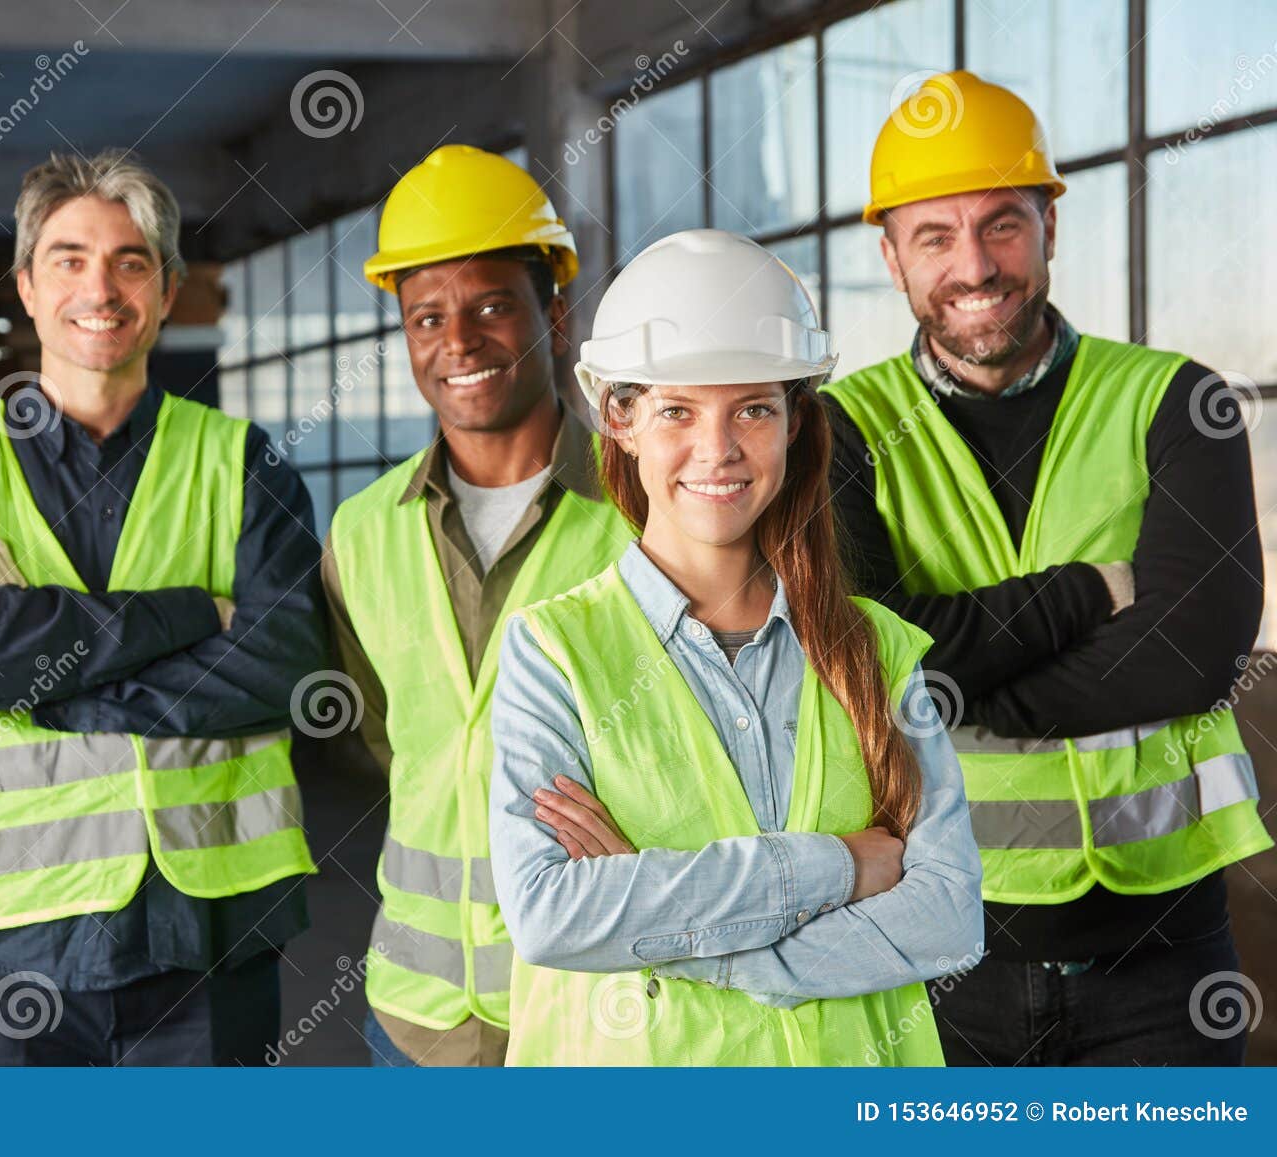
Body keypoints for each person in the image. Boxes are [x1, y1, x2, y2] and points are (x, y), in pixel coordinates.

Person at [823, 71, 1273, 1065]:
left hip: (1164, 963)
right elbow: (861, 663)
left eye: (1001, 224)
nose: (974, 264)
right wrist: (1094, 591)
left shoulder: (1175, 402)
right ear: (890, 255)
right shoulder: (837, 431)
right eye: (933, 236)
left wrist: (947, 688)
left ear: (1049, 227)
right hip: (936, 958)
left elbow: (1189, 659)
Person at [488, 229, 983, 1066]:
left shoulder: (877, 647)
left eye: (753, 407)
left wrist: (684, 935)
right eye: (678, 410)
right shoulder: (553, 652)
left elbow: (947, 915)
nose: (718, 450)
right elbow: (552, 912)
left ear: (795, 422)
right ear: (623, 420)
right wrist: (836, 866)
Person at [0, 149, 324, 1066]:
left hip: (207, 931)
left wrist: (51, 690)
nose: (102, 286)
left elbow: (283, 660)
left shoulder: (245, 463)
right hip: (6, 948)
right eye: (69, 258)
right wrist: (194, 613)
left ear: (166, 292)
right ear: (28, 288)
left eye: (131, 262)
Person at [323, 145, 634, 1066]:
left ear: (558, 314)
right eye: (427, 317)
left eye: (492, 305)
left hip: (594, 1007)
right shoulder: (361, 530)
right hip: (417, 1018)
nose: (457, 342)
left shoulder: (647, 512)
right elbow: (384, 735)